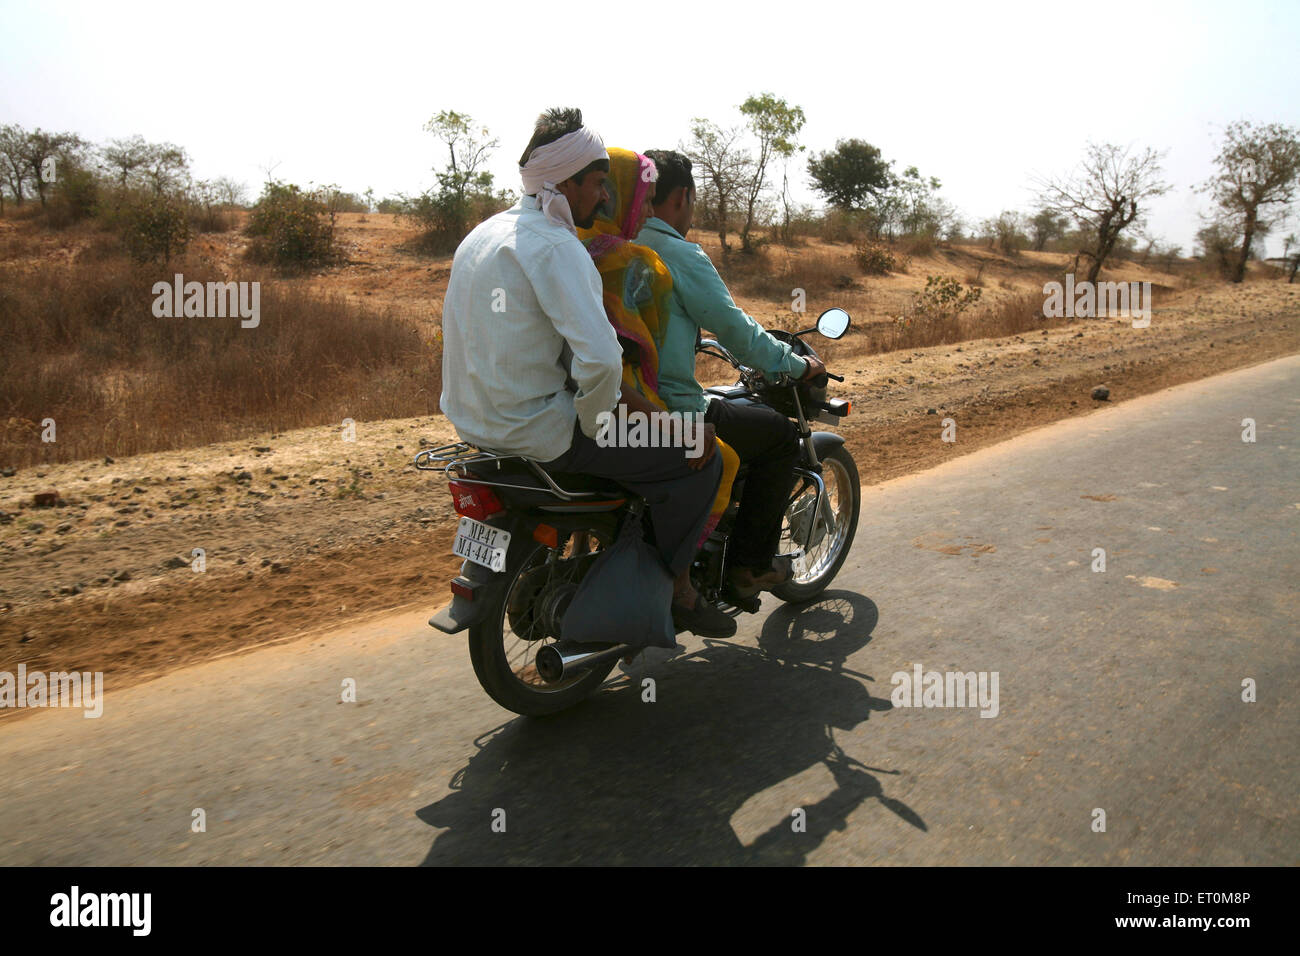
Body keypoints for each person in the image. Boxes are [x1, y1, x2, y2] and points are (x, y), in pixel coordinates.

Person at [439, 108, 729, 637]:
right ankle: (678, 591)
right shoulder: (557, 245)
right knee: (700, 457)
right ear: (565, 182)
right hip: (546, 432)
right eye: (597, 183)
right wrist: (605, 423)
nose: (603, 197)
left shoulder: (482, 235)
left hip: (475, 427)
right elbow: (599, 363)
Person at [636, 149, 827, 603]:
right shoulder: (678, 253)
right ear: (681, 196)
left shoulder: (612, 247)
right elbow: (735, 329)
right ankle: (750, 566)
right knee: (779, 437)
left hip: (618, 404)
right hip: (671, 408)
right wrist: (796, 364)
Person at [575, 146, 740, 636]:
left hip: (579, 404)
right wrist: (666, 421)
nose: (644, 212)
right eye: (639, 200)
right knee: (717, 460)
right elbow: (626, 358)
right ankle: (681, 588)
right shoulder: (632, 264)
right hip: (620, 405)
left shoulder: (571, 247)